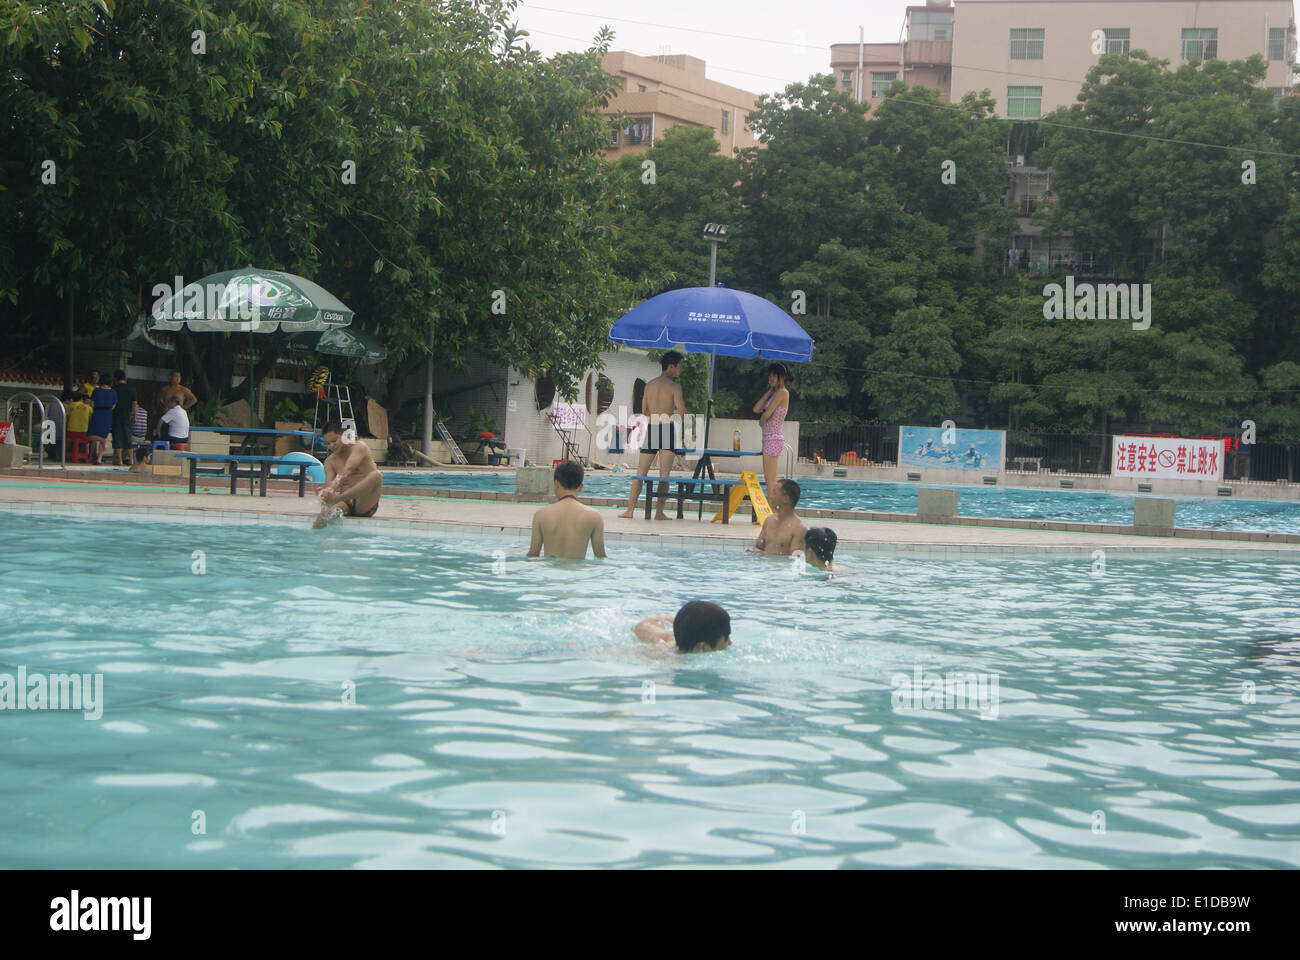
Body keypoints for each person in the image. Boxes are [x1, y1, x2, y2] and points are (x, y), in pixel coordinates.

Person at [619, 351, 687, 521]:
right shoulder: (674, 387)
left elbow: (643, 411)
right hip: (666, 429)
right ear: (671, 366)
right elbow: (682, 412)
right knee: (664, 474)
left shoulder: (649, 385)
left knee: (641, 473)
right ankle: (658, 512)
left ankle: (630, 510)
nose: (681, 369)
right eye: (680, 366)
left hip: (652, 428)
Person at [526, 460, 607, 559]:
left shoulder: (541, 515)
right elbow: (600, 557)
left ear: (556, 484)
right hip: (578, 572)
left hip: (549, 572)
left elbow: (533, 554)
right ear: (581, 487)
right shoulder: (595, 517)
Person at [313, 420, 383, 528]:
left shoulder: (359, 447)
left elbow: (347, 469)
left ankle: (337, 499)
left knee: (377, 475)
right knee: (325, 513)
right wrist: (324, 494)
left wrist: (333, 491)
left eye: (334, 440)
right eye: (327, 443)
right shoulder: (330, 461)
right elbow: (329, 485)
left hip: (365, 501)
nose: (331, 445)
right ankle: (313, 538)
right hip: (345, 502)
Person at [752, 362, 792, 498]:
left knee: (771, 481)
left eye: (774, 376)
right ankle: (771, 513)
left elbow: (766, 415)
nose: (771, 379)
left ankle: (772, 514)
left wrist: (762, 419)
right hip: (768, 439)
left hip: (773, 439)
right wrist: (769, 391)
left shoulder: (783, 393)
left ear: (782, 377)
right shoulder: (775, 393)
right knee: (768, 479)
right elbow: (756, 409)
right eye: (769, 376)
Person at [634, 601, 732, 653]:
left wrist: (688, 621)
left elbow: (641, 626)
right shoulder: (662, 660)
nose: (730, 643)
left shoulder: (668, 640)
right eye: (726, 638)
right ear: (703, 648)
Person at [753, 478, 805, 556]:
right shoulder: (769, 521)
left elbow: (795, 560)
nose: (770, 496)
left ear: (785, 499)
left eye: (774, 492)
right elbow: (758, 548)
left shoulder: (799, 529)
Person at [109, 370, 138, 466]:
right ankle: (131, 460)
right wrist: (135, 417)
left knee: (117, 438)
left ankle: (120, 461)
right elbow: (134, 405)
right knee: (128, 438)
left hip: (116, 416)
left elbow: (112, 404)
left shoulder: (113, 389)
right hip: (127, 416)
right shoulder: (131, 389)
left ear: (116, 379)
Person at [87, 377, 117, 465]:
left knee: (90, 434)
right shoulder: (113, 392)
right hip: (107, 414)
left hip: (97, 413)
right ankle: (99, 459)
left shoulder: (96, 391)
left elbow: (92, 403)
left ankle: (102, 441)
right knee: (104, 434)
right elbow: (113, 406)